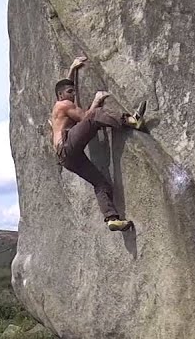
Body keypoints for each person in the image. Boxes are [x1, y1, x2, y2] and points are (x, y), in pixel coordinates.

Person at [49, 55, 146, 232]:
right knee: (95, 115)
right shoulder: (63, 105)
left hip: (67, 158)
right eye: (70, 92)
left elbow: (65, 86)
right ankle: (131, 120)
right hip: (67, 147)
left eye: (74, 91)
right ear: (61, 95)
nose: (74, 94)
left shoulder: (60, 105)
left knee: (101, 183)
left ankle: (111, 218)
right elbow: (86, 117)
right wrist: (96, 100)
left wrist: (72, 68)